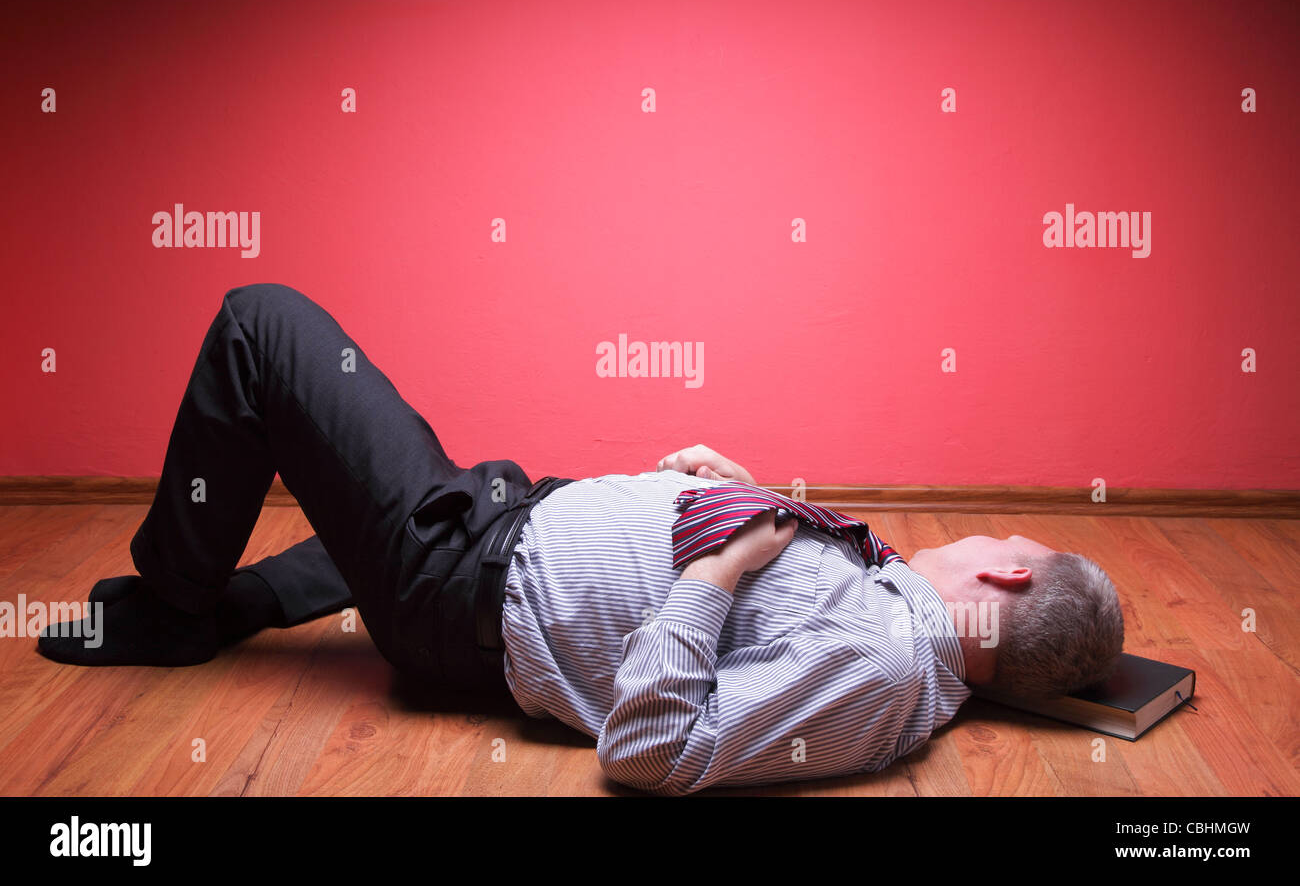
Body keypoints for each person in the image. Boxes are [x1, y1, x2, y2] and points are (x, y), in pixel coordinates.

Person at [36, 283, 1125, 795]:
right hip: (498, 519)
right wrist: (701, 504)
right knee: (379, 473)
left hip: (459, 578)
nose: (983, 529)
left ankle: (177, 603)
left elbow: (655, 748)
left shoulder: (885, 667)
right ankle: (248, 601)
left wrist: (709, 562)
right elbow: (748, 617)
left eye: (1001, 529)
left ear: (1005, 569)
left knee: (260, 324)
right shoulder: (892, 621)